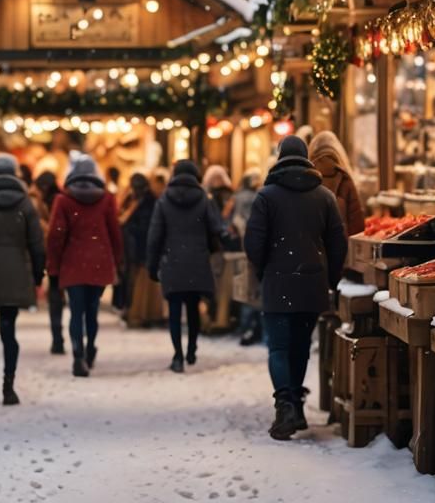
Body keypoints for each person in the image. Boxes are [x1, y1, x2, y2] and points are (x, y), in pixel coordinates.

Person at [244, 135, 347, 441]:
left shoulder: (266, 196)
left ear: (279, 157)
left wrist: (264, 269)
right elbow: (338, 243)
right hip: (311, 281)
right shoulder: (324, 197)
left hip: (278, 280)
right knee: (300, 346)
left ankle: (285, 406)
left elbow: (254, 243)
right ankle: (296, 407)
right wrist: (330, 278)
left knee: (278, 347)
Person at [0, 154, 45, 405]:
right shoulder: (25, 203)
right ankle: (8, 384)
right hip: (14, 272)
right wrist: (37, 274)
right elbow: (36, 242)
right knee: (8, 331)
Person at [46, 153, 122, 377]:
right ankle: (90, 349)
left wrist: (54, 263)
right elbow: (114, 232)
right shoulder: (107, 199)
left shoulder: (63, 200)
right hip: (99, 261)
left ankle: (78, 354)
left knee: (75, 311)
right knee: (92, 311)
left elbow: (55, 235)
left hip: (73, 262)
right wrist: (116, 260)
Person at [147, 160, 226, 371]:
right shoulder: (204, 199)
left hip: (172, 261)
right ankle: (192, 349)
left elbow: (155, 236)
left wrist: (152, 265)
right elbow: (215, 228)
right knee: (193, 308)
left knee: (174, 311)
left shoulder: (164, 200)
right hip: (197, 261)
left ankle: (178, 356)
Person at [120, 172, 164, 327]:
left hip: (142, 247)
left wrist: (130, 227)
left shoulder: (147, 202)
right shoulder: (141, 200)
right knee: (141, 282)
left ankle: (142, 313)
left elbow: (143, 226)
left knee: (142, 283)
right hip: (138, 247)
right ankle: (142, 312)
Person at [32, 171, 66, 354]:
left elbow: (54, 229)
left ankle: (57, 338)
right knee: (57, 297)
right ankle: (59, 338)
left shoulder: (55, 201)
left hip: (55, 254)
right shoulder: (62, 198)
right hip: (63, 255)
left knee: (55, 298)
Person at [308, 131, 365, 237]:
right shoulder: (345, 179)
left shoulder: (305, 178)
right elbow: (356, 225)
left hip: (312, 249)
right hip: (340, 247)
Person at [231, 169, 264, 346]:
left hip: (247, 247)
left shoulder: (239, 197)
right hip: (257, 247)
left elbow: (236, 219)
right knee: (255, 292)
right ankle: (255, 328)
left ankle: (247, 327)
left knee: (248, 291)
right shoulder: (259, 197)